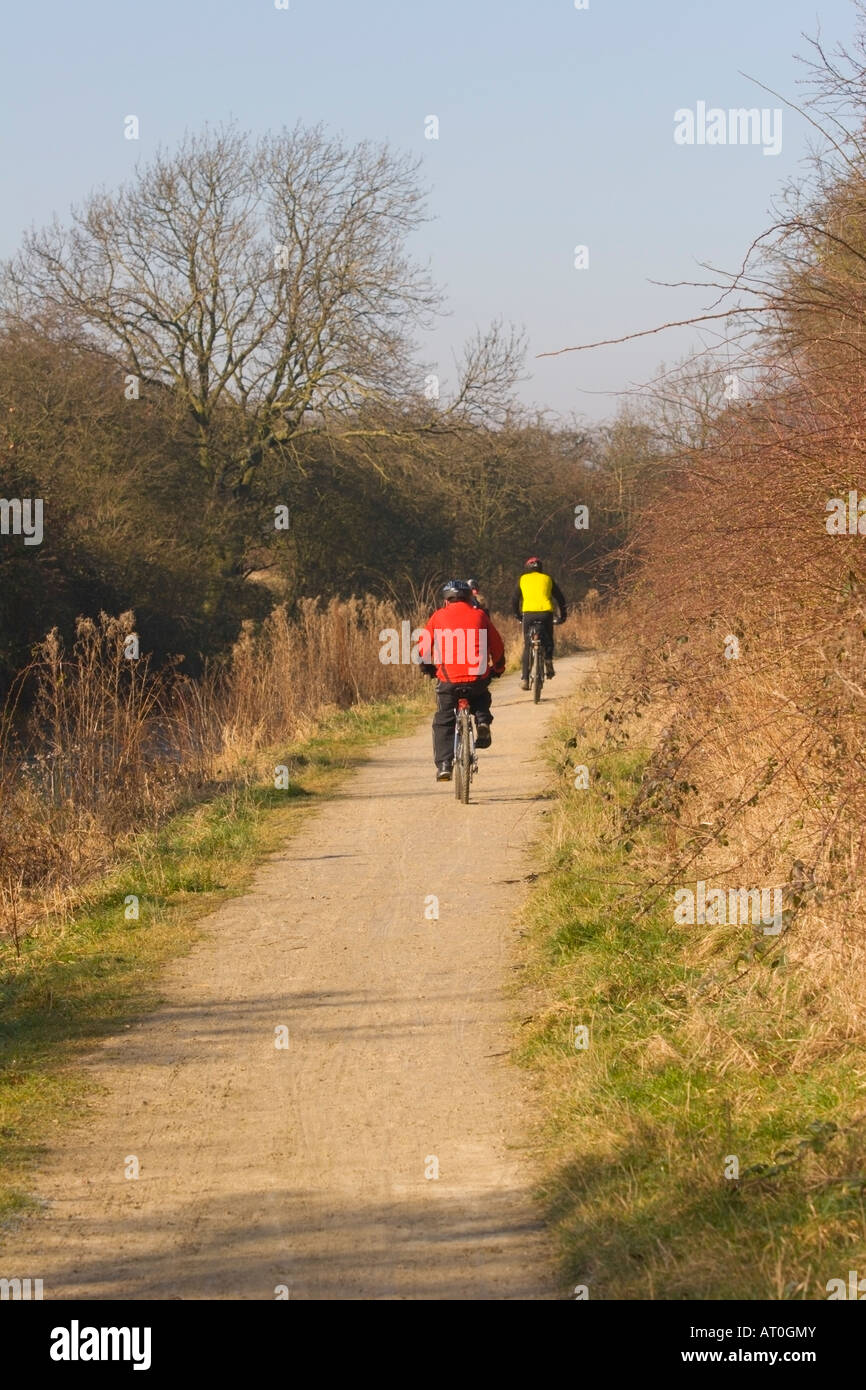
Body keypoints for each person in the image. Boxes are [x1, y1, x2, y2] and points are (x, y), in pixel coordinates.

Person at [419, 579, 505, 781]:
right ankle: (482, 720)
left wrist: (428, 668)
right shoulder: (480, 615)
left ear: (446, 600)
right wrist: (498, 668)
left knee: (443, 720)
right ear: (469, 598)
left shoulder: (438, 616)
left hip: (448, 681)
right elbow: (497, 645)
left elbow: (423, 647)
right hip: (476, 679)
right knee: (481, 695)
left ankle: (444, 765)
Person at [512, 556, 567, 690]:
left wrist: (518, 615)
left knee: (527, 645)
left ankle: (525, 679)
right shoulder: (547, 579)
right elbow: (560, 598)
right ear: (541, 568)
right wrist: (562, 616)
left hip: (528, 615)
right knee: (548, 639)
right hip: (545, 614)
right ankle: (548, 660)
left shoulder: (523, 579)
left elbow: (514, 600)